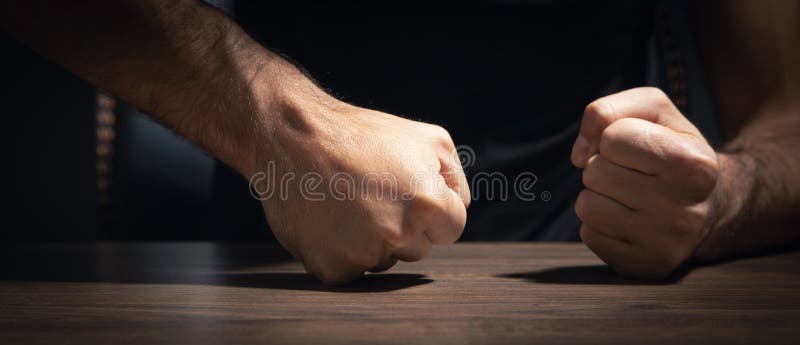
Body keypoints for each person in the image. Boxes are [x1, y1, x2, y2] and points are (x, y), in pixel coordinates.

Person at [1, 0, 797, 284]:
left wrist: (717, 197)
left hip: (591, 293)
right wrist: (280, 122)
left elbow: (790, 124)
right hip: (281, 291)